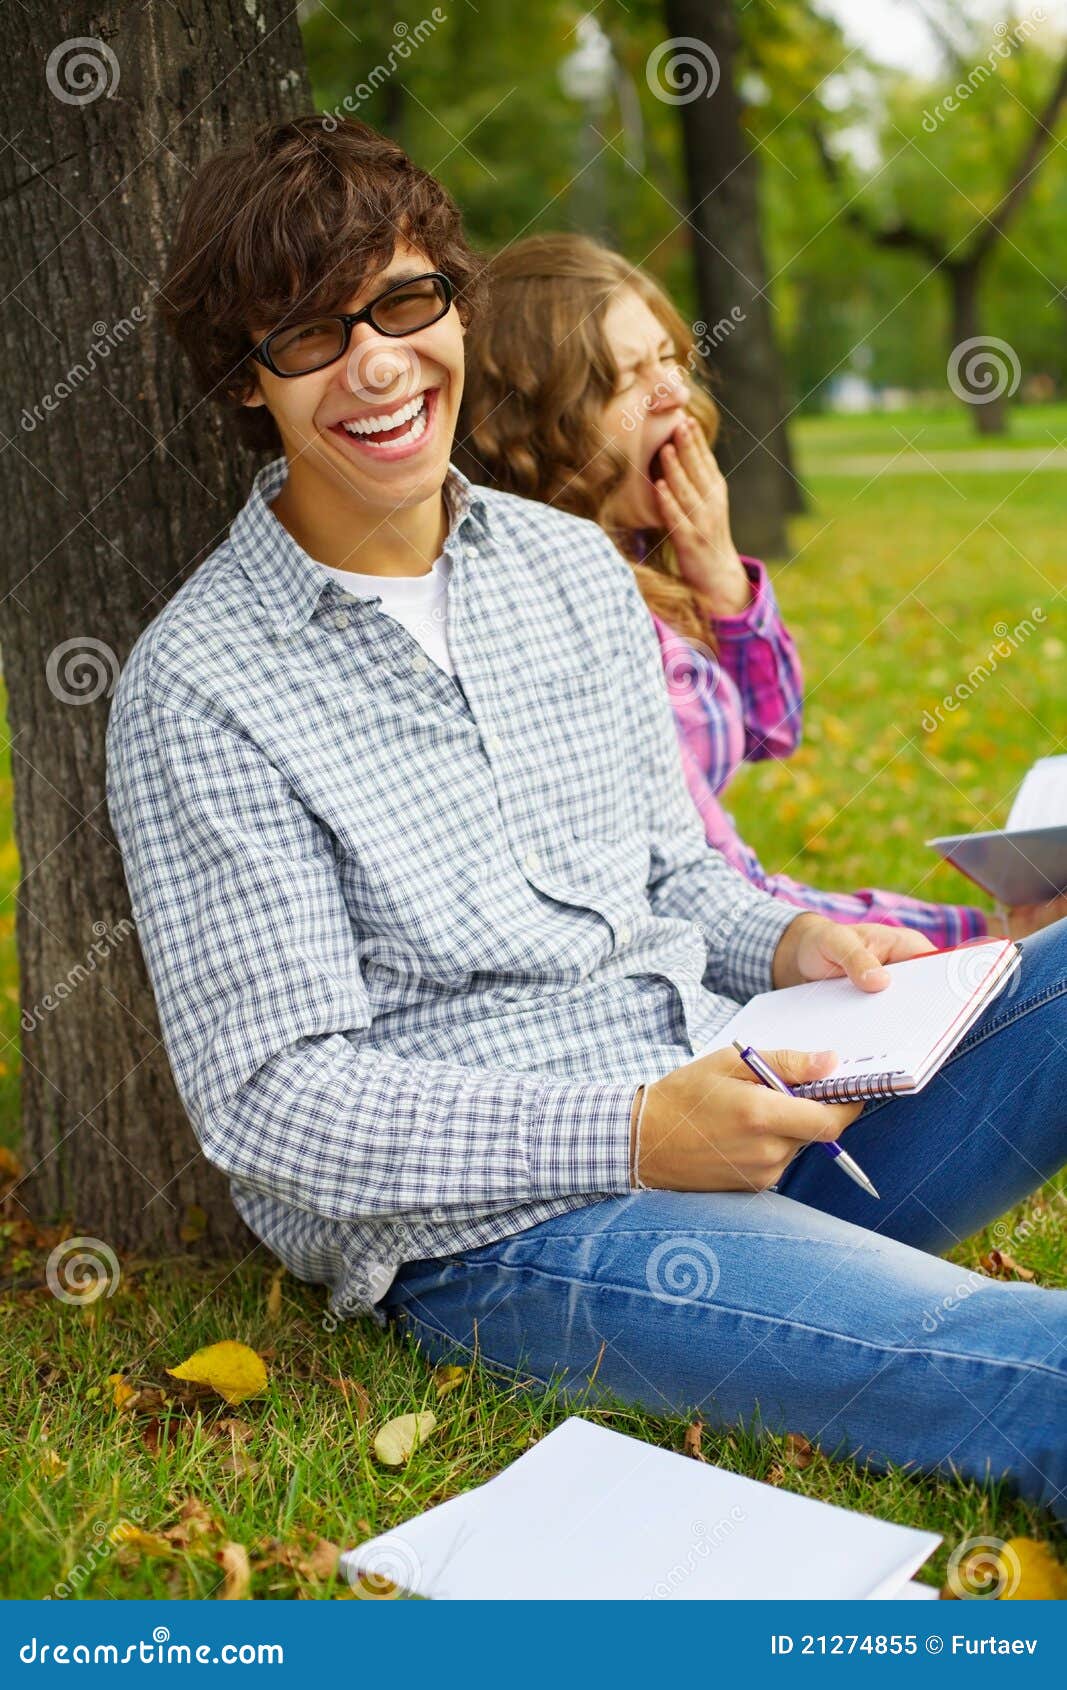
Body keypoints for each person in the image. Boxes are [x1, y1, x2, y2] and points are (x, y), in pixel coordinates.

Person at [105, 115, 1067, 1524]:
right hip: (515, 1240)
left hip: (752, 1108)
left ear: (451, 306)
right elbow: (276, 1101)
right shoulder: (200, 688)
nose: (374, 362)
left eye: (402, 302)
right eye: (306, 333)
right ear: (247, 382)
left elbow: (673, 871)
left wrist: (796, 939)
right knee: (1026, 1363)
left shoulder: (560, 564)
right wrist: (628, 1134)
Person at [456, 233, 1067, 946]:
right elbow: (722, 895)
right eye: (629, 377)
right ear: (541, 424)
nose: (674, 392)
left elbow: (769, 729)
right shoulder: (567, 613)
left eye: (668, 359)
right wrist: (976, 935)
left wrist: (717, 574)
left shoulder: (641, 561)